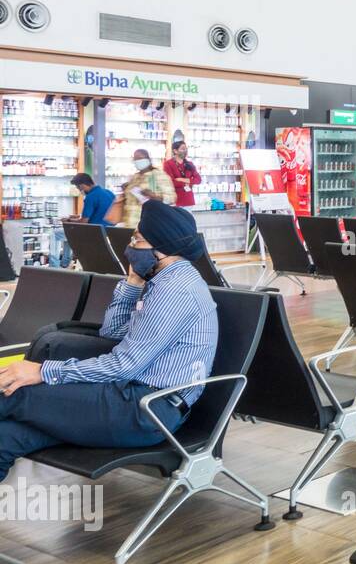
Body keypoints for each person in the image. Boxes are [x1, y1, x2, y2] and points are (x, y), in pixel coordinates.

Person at [0, 201, 217, 482]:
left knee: (14, 391)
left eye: (137, 239)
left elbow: (124, 364)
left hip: (146, 410)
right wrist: (132, 283)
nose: (130, 245)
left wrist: (43, 371)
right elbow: (112, 335)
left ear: (161, 249)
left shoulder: (174, 292)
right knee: (6, 437)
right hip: (130, 397)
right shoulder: (161, 282)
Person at [118, 149, 176, 228]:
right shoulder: (135, 177)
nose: (138, 161)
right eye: (135, 159)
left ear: (148, 159)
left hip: (148, 224)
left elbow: (172, 198)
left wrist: (153, 196)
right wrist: (126, 190)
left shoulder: (158, 175)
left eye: (141, 158)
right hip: (130, 224)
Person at [163, 139, 202, 210]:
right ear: (175, 151)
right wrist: (189, 182)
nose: (185, 151)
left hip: (188, 200)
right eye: (183, 149)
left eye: (186, 149)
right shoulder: (168, 164)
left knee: (187, 220)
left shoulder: (189, 164)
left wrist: (182, 179)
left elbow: (198, 180)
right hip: (175, 200)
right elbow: (170, 182)